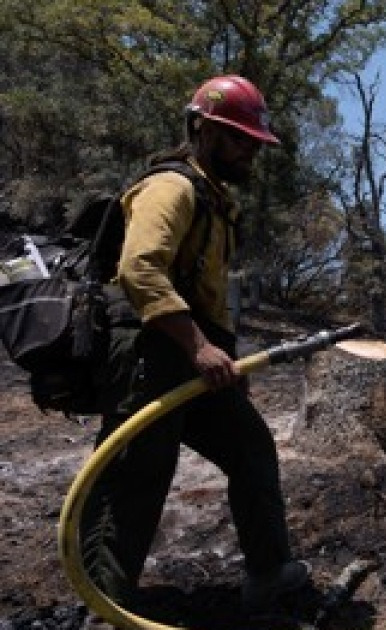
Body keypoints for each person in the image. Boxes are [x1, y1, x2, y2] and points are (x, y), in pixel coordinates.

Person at [81, 75, 310, 614]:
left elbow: (206, 293)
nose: (250, 151)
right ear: (202, 129)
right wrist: (198, 346)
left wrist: (223, 351)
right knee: (134, 477)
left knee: (250, 447)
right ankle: (103, 607)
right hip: (149, 348)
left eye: (255, 142)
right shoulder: (172, 188)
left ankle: (269, 572)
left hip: (192, 354)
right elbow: (140, 270)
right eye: (238, 139)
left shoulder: (214, 198)